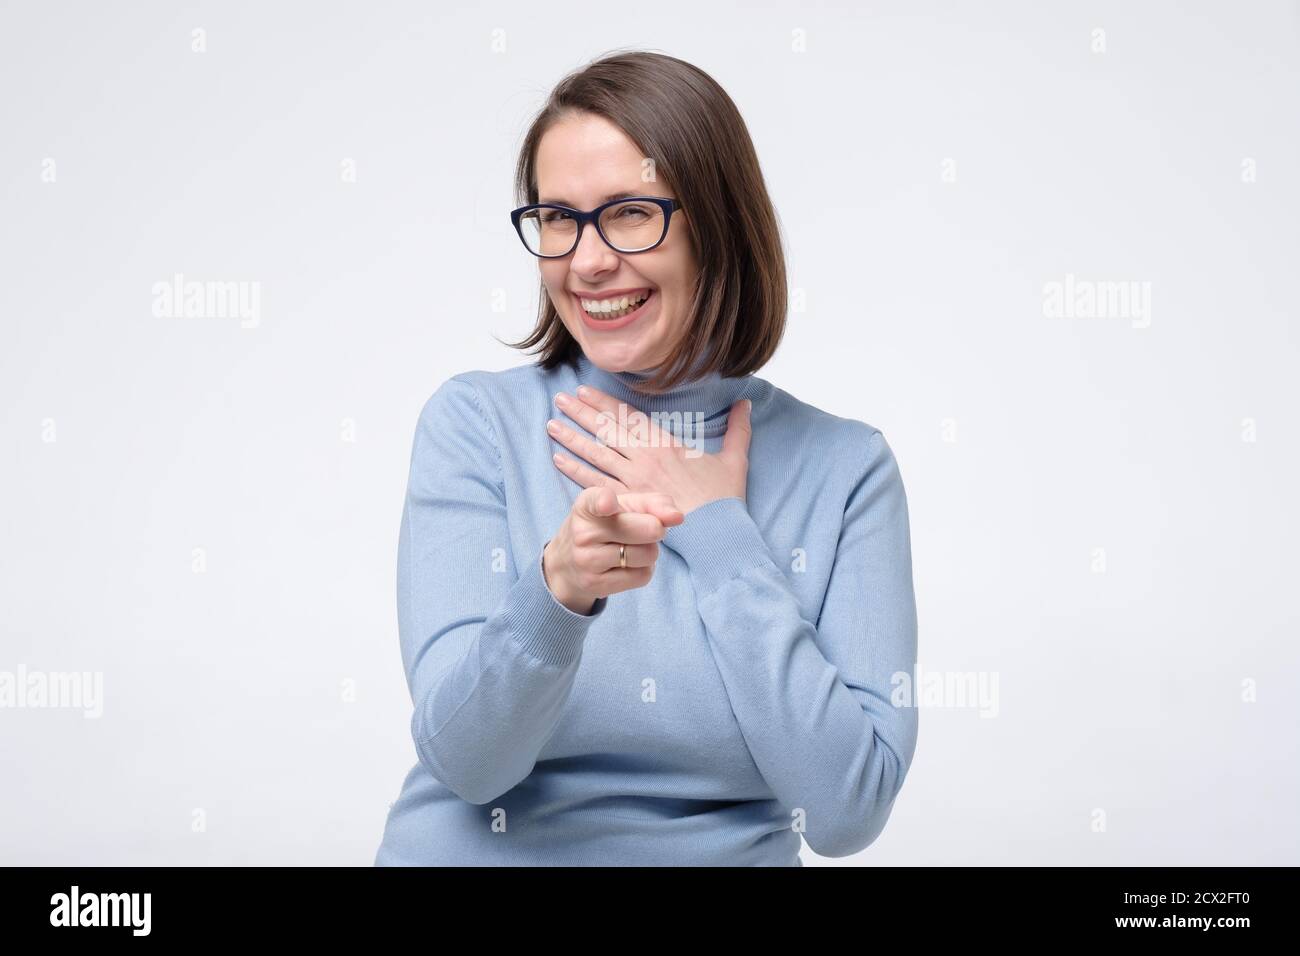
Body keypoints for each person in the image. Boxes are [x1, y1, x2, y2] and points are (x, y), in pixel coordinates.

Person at [374, 50, 918, 866]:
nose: (586, 260)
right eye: (558, 217)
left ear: (719, 223)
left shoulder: (847, 470)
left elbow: (846, 810)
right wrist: (556, 595)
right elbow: (466, 762)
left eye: (630, 212)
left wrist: (723, 536)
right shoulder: (477, 425)